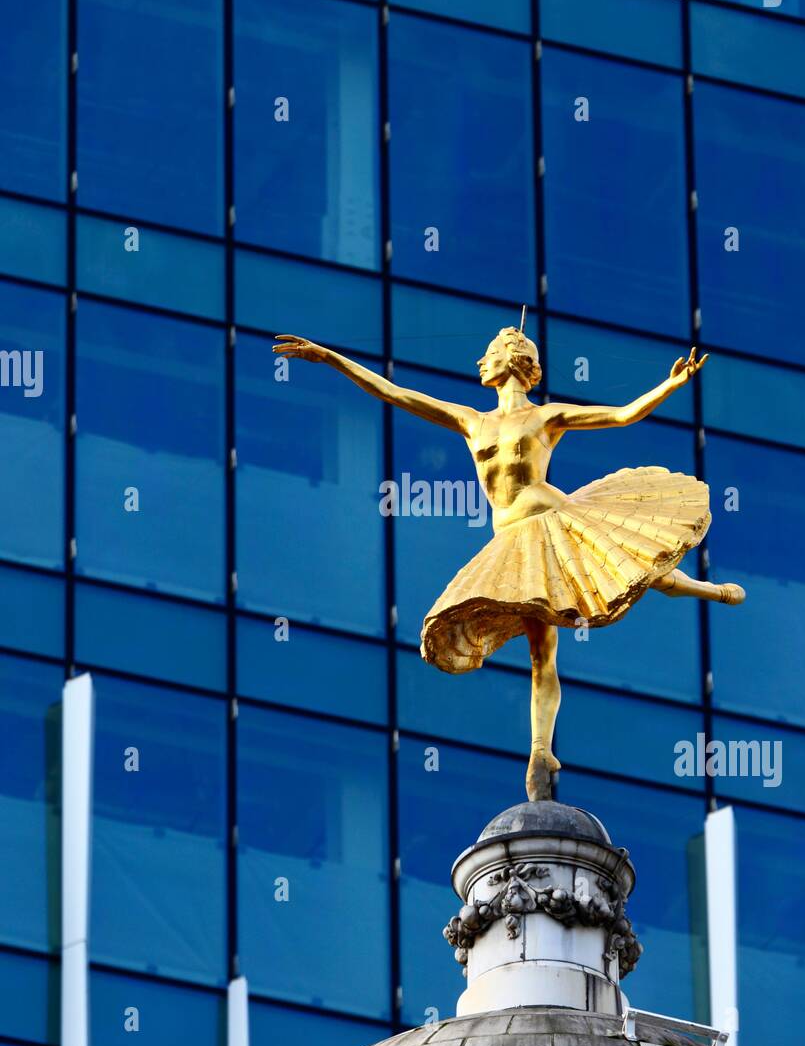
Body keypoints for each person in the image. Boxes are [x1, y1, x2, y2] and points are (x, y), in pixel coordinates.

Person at [273, 317, 744, 800]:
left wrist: (670, 384)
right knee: (542, 654)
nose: (481, 360)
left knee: (629, 562)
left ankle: (707, 589)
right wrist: (330, 358)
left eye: (491, 351)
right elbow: (394, 393)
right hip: (513, 541)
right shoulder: (471, 421)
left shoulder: (545, 417)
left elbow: (622, 415)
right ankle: (541, 749)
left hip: (553, 518)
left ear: (517, 360)